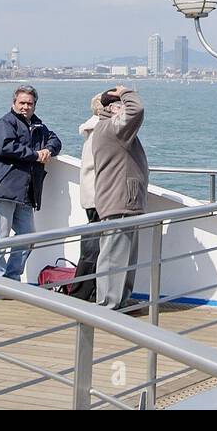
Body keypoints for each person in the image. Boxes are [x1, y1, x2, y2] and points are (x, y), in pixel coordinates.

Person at [0, 86, 61, 282]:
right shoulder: (5, 123)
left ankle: (12, 276)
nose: (25, 107)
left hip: (26, 190)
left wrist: (48, 150)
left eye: (29, 103)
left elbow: (55, 140)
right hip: (3, 188)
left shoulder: (38, 126)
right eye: (22, 103)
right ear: (14, 103)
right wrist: (35, 155)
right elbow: (4, 147)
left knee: (27, 236)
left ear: (35, 105)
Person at [90, 86, 148, 310]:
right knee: (114, 257)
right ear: (113, 108)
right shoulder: (113, 128)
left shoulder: (108, 128)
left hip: (125, 200)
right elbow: (137, 110)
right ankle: (107, 305)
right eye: (121, 106)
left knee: (125, 257)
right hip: (119, 200)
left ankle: (121, 300)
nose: (124, 110)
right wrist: (127, 92)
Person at [65, 94, 103, 301]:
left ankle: (86, 291)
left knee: (93, 245)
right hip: (99, 195)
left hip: (92, 193)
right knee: (94, 247)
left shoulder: (93, 131)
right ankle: (82, 292)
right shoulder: (100, 132)